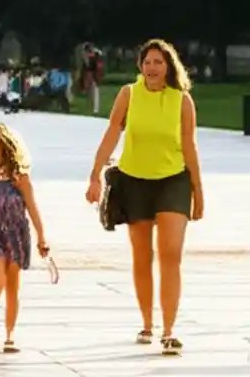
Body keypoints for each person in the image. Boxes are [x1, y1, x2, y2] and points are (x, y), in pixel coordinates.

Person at [85, 38, 203, 356]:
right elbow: (112, 132)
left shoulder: (182, 101)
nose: (152, 67)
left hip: (174, 182)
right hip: (134, 180)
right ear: (141, 66)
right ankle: (147, 323)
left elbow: (190, 147)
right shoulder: (128, 94)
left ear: (168, 67)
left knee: (171, 255)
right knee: (142, 257)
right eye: (147, 62)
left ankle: (169, 330)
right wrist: (95, 173)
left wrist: (198, 190)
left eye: (158, 62)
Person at [0, 122, 48, 353]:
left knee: (11, 285)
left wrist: (42, 237)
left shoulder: (19, 178)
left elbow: (32, 208)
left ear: (3, 146)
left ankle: (10, 334)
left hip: (16, 234)